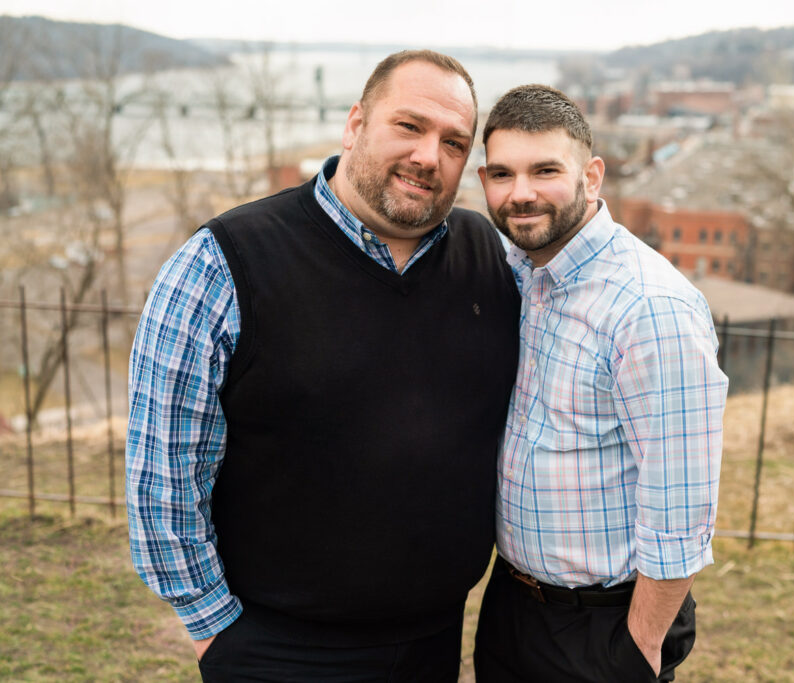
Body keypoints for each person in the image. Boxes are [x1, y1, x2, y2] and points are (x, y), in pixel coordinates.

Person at [125, 50, 520, 682]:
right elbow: (163, 480)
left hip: (435, 641)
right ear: (356, 123)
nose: (429, 156)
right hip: (277, 652)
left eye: (454, 142)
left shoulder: (492, 259)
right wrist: (215, 631)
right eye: (409, 126)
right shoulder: (223, 265)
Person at [472, 84, 728, 683]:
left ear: (592, 176)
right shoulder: (521, 272)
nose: (522, 193)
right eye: (503, 173)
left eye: (545, 170)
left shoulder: (650, 308)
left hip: (602, 629)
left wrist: (635, 652)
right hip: (512, 606)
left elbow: (682, 513)